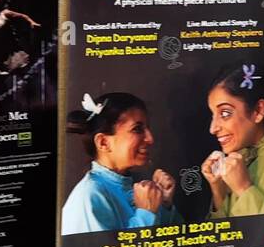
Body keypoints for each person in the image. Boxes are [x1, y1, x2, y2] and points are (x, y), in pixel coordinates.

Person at [61, 92, 181, 235]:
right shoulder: (88, 198)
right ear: (103, 142)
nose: (150, 138)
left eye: (148, 128)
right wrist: (146, 213)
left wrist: (163, 207)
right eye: (137, 129)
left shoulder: (135, 186)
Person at [202, 65, 264, 218]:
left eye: (225, 113)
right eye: (213, 115)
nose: (213, 129)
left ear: (258, 110)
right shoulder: (240, 154)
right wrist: (219, 191)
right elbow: (221, 239)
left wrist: (244, 188)